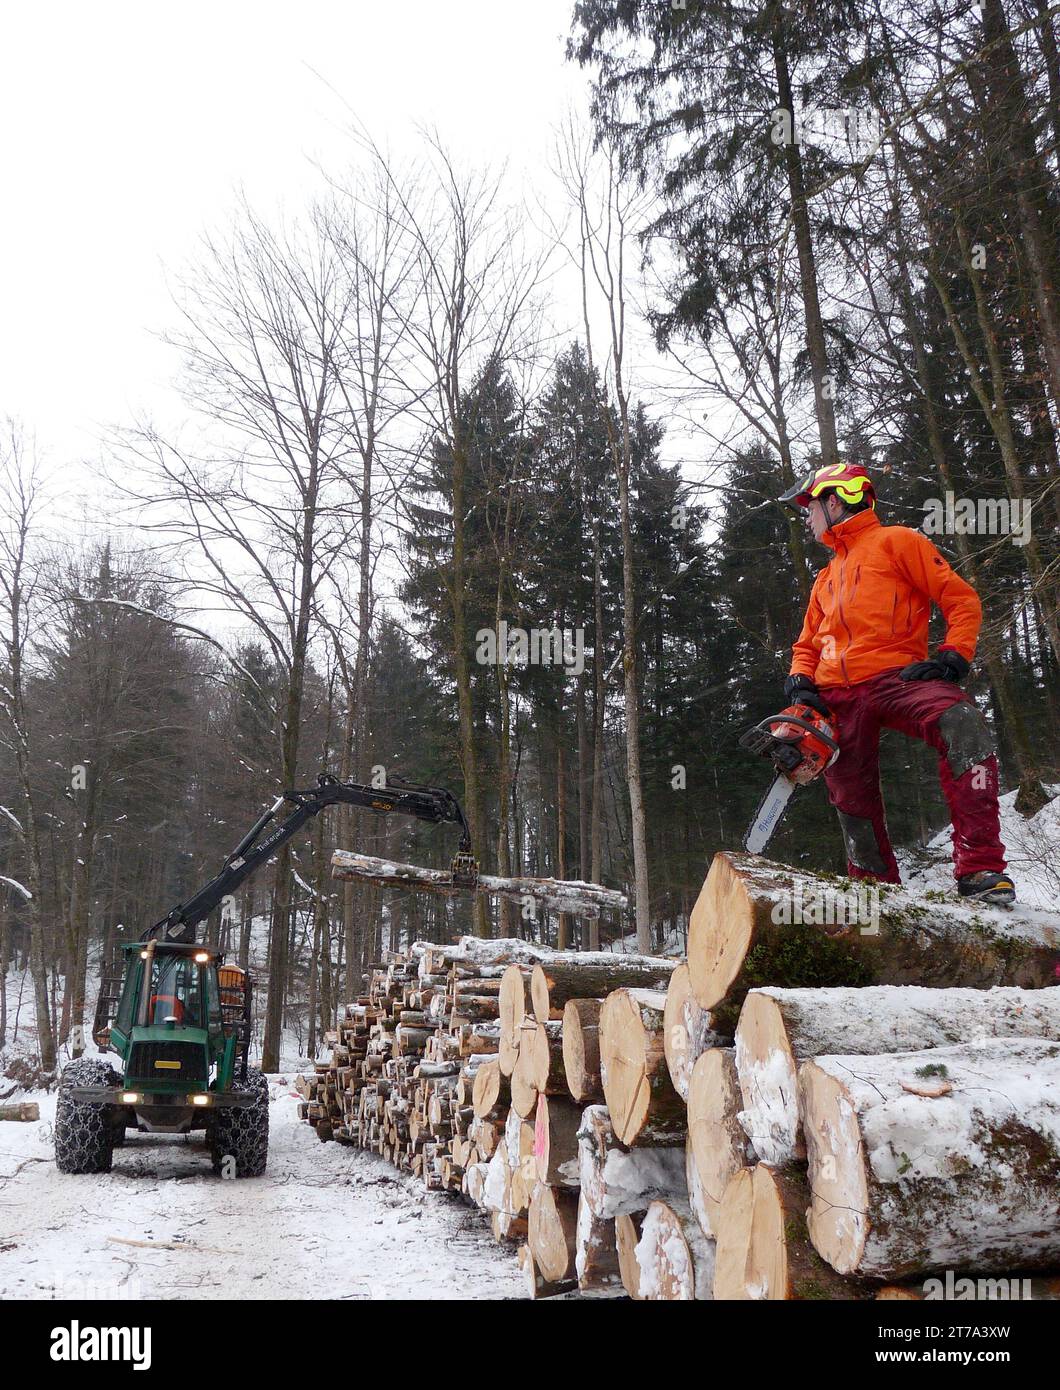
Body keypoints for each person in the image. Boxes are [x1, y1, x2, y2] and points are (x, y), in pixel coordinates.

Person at [779, 461, 1015, 905]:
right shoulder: (825, 579)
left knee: (961, 721)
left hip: (896, 677)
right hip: (837, 695)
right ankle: (875, 891)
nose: (807, 519)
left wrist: (953, 656)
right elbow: (807, 643)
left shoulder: (897, 542)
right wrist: (800, 681)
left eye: (810, 508)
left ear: (834, 501)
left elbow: (960, 599)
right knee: (848, 788)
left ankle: (981, 867)